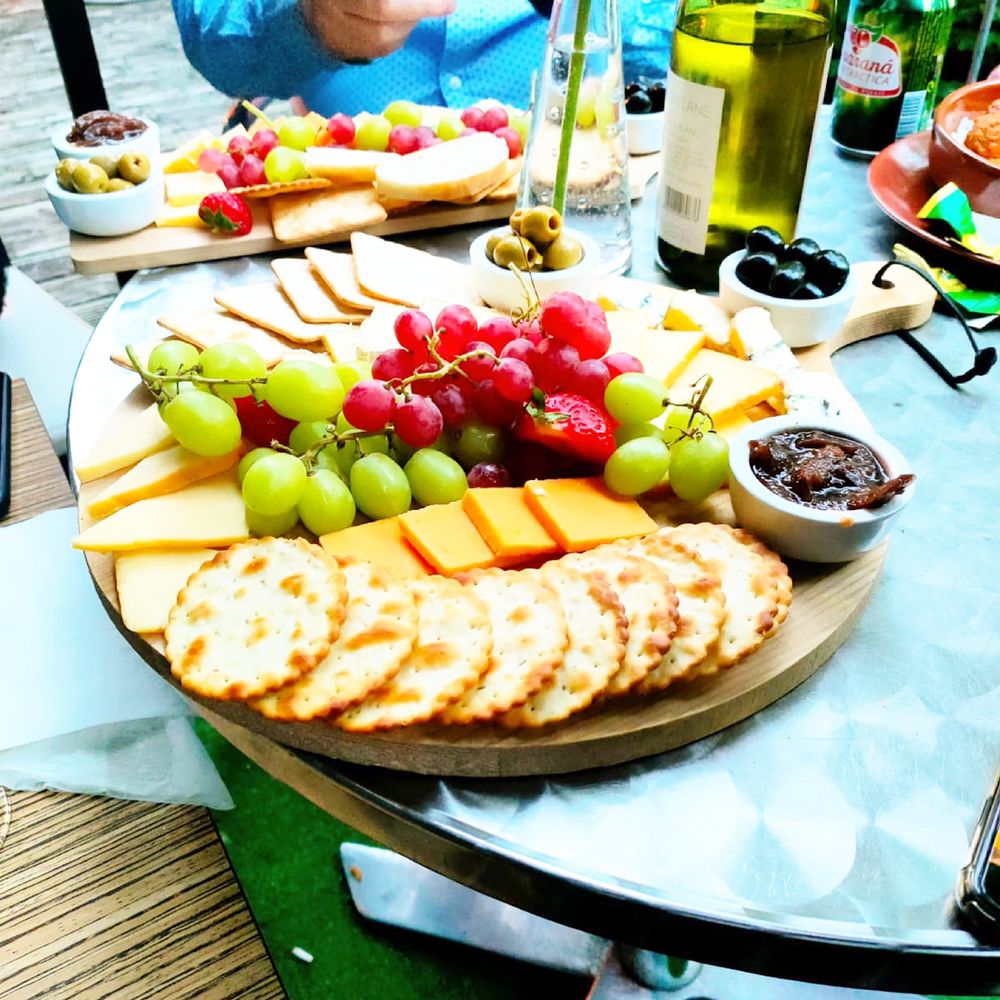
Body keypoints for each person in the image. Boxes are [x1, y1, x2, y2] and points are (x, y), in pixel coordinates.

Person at [172, 0, 674, 117]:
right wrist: (310, 19)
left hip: (587, 197)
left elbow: (697, 35)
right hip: (353, 217)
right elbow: (214, 37)